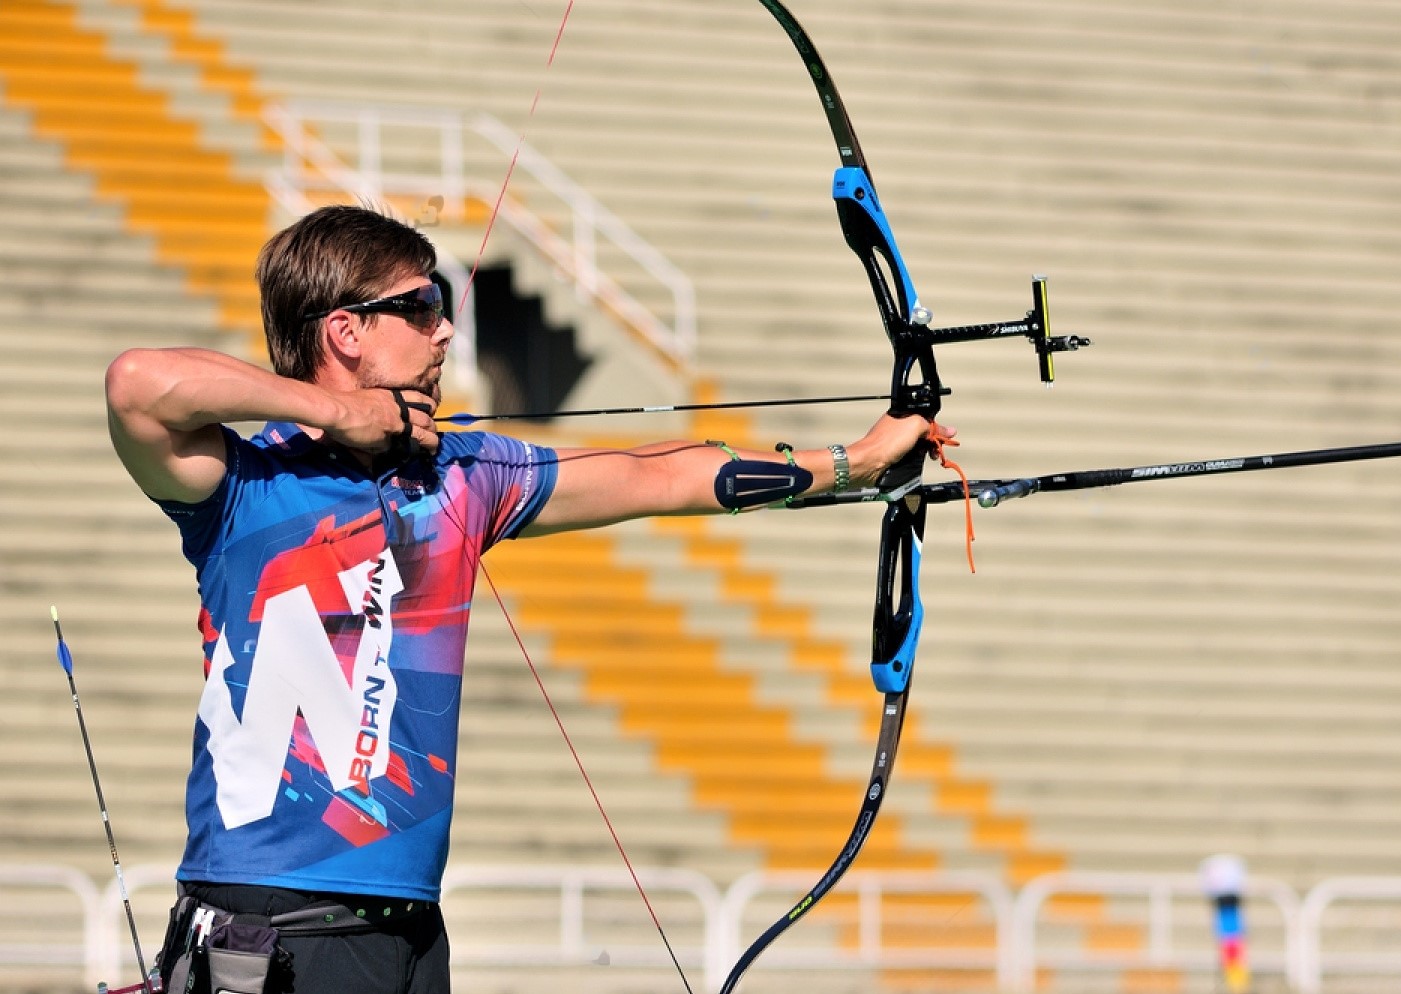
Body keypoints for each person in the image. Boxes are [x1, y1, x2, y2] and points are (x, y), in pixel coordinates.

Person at [104, 204, 945, 994]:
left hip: (409, 932)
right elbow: (137, 382)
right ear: (345, 330)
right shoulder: (241, 487)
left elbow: (662, 474)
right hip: (268, 926)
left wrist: (853, 463)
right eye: (422, 305)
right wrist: (337, 411)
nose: (445, 329)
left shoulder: (463, 475)